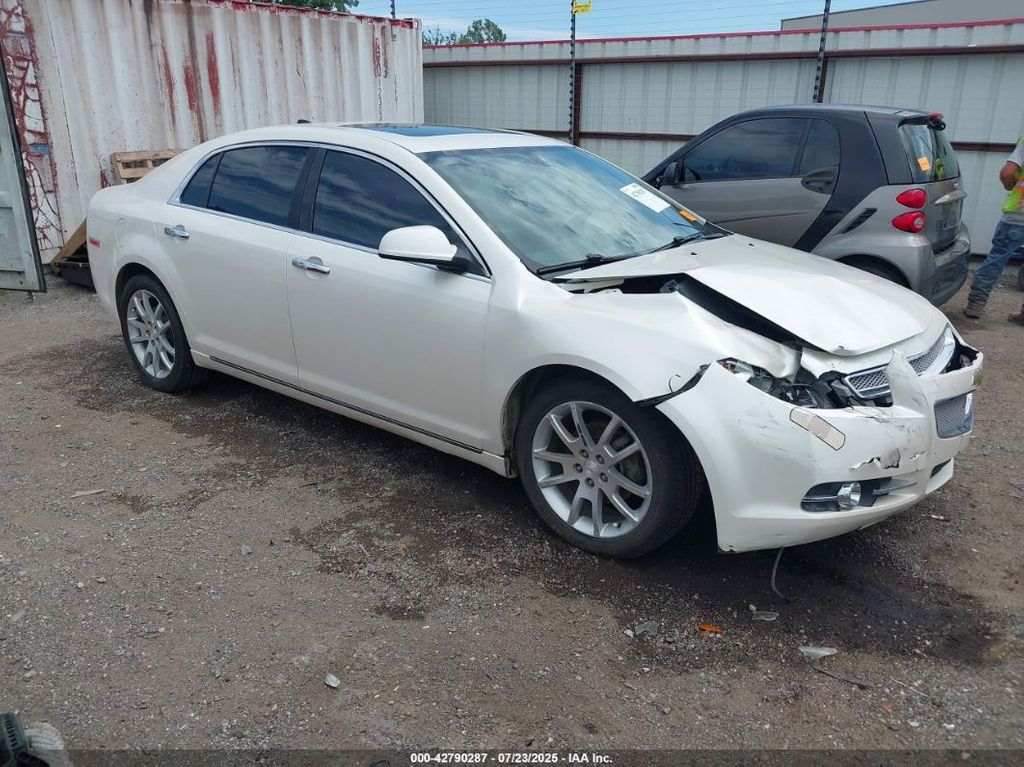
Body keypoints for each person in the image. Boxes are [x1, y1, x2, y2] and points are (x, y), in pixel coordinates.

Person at [965, 136, 1024, 324]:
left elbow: (1008, 173)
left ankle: (975, 305)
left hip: (1018, 215)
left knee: (996, 259)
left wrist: (1010, 185)